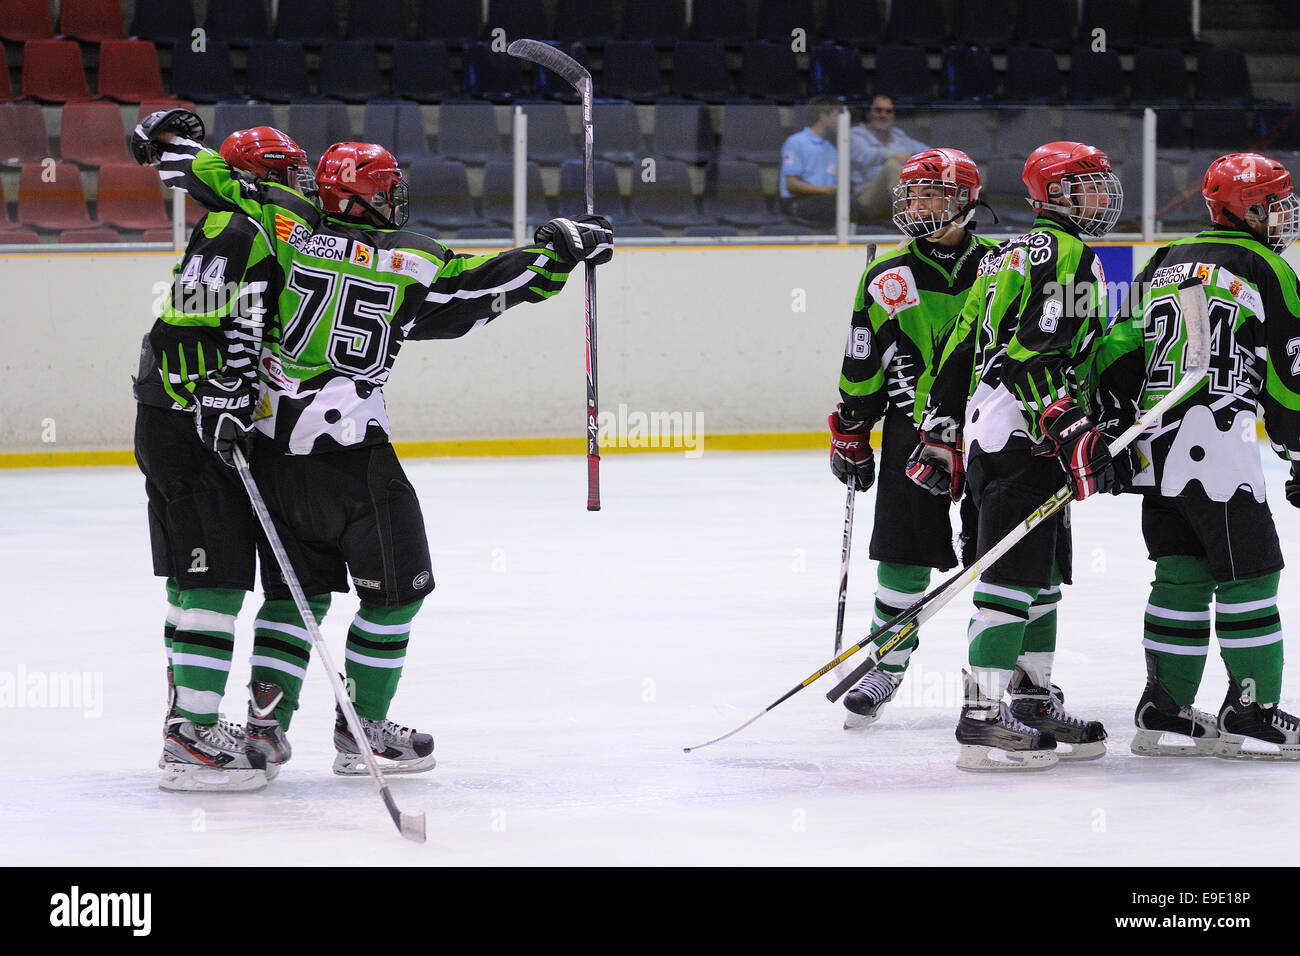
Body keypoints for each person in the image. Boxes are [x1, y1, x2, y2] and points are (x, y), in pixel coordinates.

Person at [131, 109, 614, 778]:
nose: (395, 200)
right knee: (395, 594)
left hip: (268, 453)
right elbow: (476, 294)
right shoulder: (408, 255)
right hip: (353, 456)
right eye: (385, 190)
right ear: (361, 196)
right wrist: (556, 253)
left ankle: (265, 730)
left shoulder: (285, 230)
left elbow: (219, 179)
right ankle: (362, 732)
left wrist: (169, 144)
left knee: (295, 593)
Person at [913, 141, 1128, 771]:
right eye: (1090, 185)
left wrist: (940, 432)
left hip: (994, 435)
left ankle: (1030, 696)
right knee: (1009, 582)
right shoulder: (1069, 256)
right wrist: (1068, 425)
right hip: (1023, 437)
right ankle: (981, 716)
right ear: (1056, 194)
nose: (1101, 197)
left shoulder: (1002, 257)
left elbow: (956, 346)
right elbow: (1034, 356)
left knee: (1041, 576)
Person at [132, 125, 319, 792]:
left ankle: (190, 719)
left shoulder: (246, 226)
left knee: (191, 579)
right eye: (291, 173)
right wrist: (212, 394)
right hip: (187, 424)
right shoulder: (238, 227)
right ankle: (191, 737)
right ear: (264, 176)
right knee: (215, 578)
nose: (305, 187)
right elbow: (179, 327)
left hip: (175, 420)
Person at [1098, 152, 1300, 759]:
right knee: (1251, 573)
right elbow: (1290, 371)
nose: (1283, 216)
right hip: (1220, 448)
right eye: (1271, 203)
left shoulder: (1166, 259)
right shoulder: (1267, 266)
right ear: (1242, 207)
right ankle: (1253, 709)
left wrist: (1108, 428)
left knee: (1181, 573)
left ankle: (1166, 708)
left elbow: (1116, 348)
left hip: (1154, 445)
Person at [828, 148, 997, 729]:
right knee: (903, 554)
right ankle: (887, 665)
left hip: (993, 430)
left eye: (933, 194)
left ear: (966, 201)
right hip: (912, 429)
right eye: (914, 194)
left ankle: (1012, 681)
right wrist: (853, 427)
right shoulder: (887, 276)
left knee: (1002, 554)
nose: (919, 205)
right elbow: (863, 359)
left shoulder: (1004, 266)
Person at [850, 95, 929, 224]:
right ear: (869, 113)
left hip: (894, 196)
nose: (883, 115)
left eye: (888, 111)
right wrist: (892, 154)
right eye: (878, 110)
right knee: (892, 165)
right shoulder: (855, 134)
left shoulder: (898, 135)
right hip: (865, 197)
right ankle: (913, 221)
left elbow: (927, 151)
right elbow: (863, 155)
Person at [779, 96, 841, 227]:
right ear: (823, 116)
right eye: (836, 116)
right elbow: (792, 185)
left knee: (853, 205)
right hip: (799, 203)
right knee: (844, 206)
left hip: (826, 202)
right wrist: (826, 190)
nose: (839, 121)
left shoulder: (832, 149)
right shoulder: (796, 142)